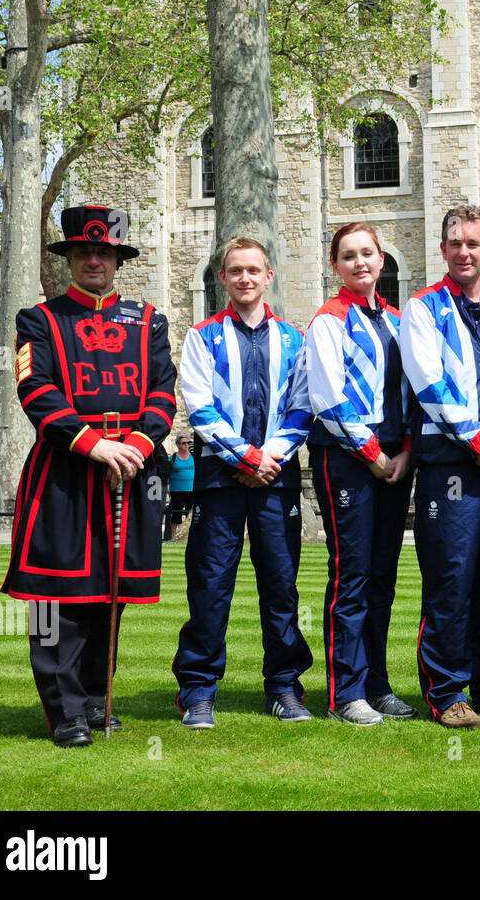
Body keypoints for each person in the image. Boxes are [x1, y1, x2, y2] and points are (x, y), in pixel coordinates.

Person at [1, 205, 177, 748]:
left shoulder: (149, 320)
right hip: (65, 472)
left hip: (131, 467)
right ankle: (65, 712)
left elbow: (164, 392)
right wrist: (95, 444)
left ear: (118, 260)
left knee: (109, 594)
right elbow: (37, 392)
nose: (94, 260)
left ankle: (98, 701)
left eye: (104, 252)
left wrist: (140, 444)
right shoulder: (40, 320)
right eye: (84, 252)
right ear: (71, 259)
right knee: (60, 595)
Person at [172, 237, 315, 728]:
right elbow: (200, 406)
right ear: (223, 278)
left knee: (281, 586)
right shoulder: (202, 335)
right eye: (236, 271)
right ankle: (198, 689)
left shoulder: (295, 339)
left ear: (268, 275)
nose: (245, 278)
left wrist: (267, 459)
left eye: (254, 270)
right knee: (210, 586)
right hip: (220, 477)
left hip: (277, 476)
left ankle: (283, 686)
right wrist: (246, 457)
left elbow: (303, 407)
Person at [400, 205, 480, 728]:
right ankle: (447, 690)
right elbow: (428, 383)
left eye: (473, 244)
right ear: (442, 249)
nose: (463, 252)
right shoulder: (423, 307)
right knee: (451, 577)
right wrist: (478, 437)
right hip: (449, 457)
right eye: (454, 244)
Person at [303, 222, 418, 725]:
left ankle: (376, 683)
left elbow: (416, 394)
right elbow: (328, 398)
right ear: (336, 266)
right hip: (349, 458)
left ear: (382, 260)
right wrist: (374, 455)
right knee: (352, 574)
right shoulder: (329, 319)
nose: (360, 263)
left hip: (396, 457)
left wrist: (406, 454)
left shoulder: (397, 320)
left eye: (367, 254)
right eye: (348, 256)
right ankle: (344, 691)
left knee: (383, 578)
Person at [164, 431, 195, 540]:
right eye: (183, 443)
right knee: (176, 514)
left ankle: (190, 536)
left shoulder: (194, 457)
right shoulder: (173, 458)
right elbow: (166, 472)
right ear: (178, 444)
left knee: (190, 514)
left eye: (188, 443)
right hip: (177, 490)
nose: (186, 445)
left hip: (191, 490)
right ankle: (173, 537)